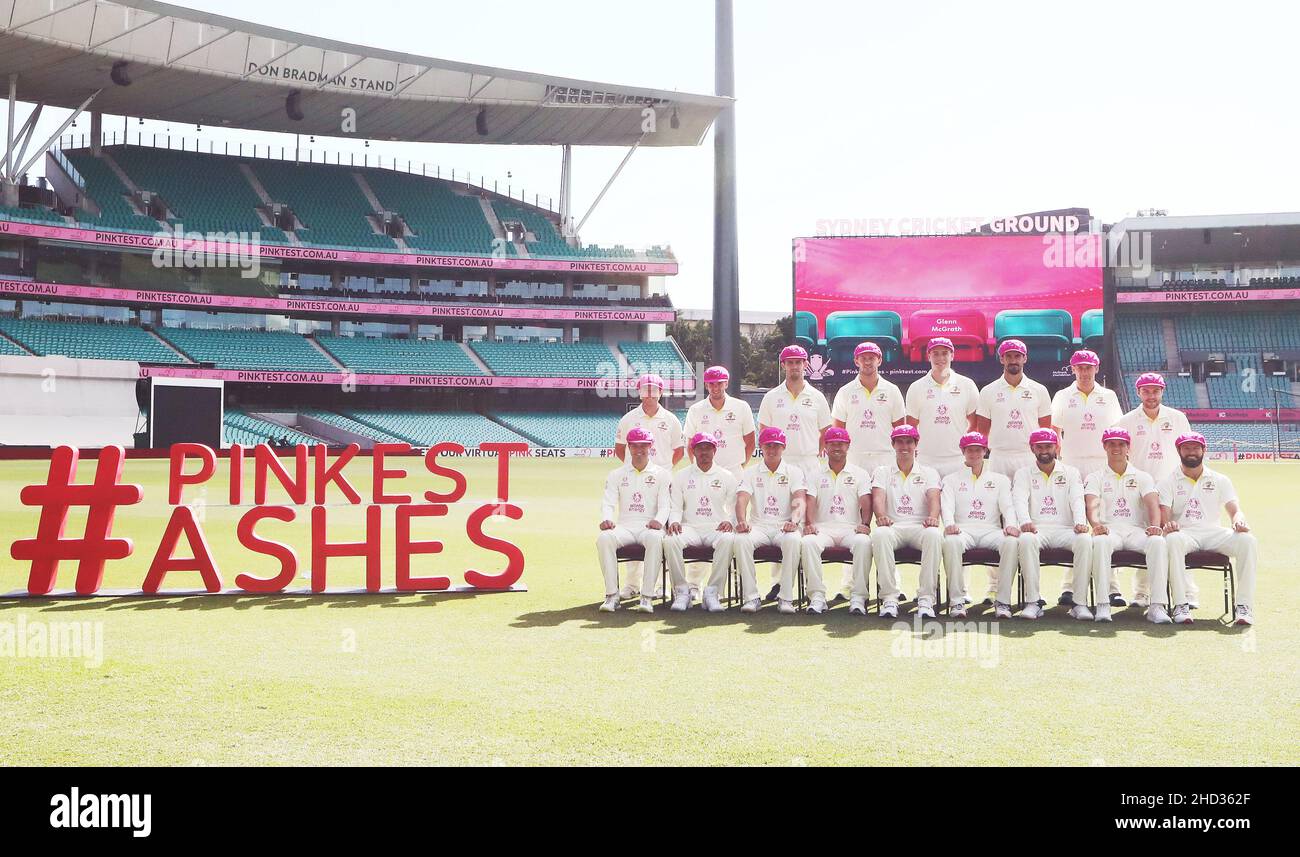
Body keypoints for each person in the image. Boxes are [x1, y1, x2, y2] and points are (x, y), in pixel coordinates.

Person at [829, 340, 904, 601]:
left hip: (884, 460)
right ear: (856, 362)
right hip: (855, 461)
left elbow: (899, 430)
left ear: (880, 361)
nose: (868, 361)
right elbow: (837, 429)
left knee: (889, 520)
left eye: (873, 357)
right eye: (864, 357)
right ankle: (849, 584)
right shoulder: (845, 391)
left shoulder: (892, 391)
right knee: (853, 522)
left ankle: (893, 584)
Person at [1157, 433, 1258, 626]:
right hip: (1186, 534)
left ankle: (1244, 606)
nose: (1191, 452)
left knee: (1248, 540)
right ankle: (1180, 604)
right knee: (1172, 540)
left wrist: (1239, 521)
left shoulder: (1220, 479)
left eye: (1196, 448)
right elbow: (1165, 514)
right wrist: (1169, 524)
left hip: (1214, 533)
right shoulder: (1168, 481)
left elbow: (1234, 510)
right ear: (1179, 451)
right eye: (1186, 448)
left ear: (1204, 450)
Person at [1051, 349, 1124, 606]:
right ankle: (1069, 587)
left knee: (1104, 523)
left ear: (1096, 368)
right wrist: (1059, 465)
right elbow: (1054, 432)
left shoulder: (1109, 396)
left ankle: (1113, 587)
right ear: (1073, 369)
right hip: (1071, 466)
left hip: (1101, 466)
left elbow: (1118, 431)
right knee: (1076, 524)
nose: (1084, 372)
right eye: (1079, 367)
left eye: (1088, 367)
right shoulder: (1062, 396)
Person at [1116, 371, 1193, 608]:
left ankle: (1187, 593)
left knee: (1177, 539)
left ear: (1162, 391)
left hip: (1171, 488)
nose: (1151, 395)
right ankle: (1141, 593)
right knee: (1148, 538)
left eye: (1155, 390)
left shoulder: (1178, 417)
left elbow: (1188, 451)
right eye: (1146, 391)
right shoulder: (1127, 420)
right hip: (1139, 490)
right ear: (1138, 392)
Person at [1004, 428, 1091, 620]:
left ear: (1056, 447)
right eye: (1040, 446)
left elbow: (1077, 499)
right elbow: (1019, 499)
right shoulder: (1023, 473)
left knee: (1084, 540)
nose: (1045, 450)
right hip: (1037, 529)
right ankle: (1033, 602)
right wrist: (1025, 522)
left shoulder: (1071, 472)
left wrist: (1079, 522)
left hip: (1066, 529)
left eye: (1049, 446)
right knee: (1026, 540)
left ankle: (1079, 603)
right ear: (1032, 448)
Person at [1084, 427, 1165, 623]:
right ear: (1104, 446)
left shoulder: (1142, 476)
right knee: (1101, 543)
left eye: (1121, 444)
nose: (1116, 448)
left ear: (1128, 447)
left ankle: (1157, 606)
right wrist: (1096, 525)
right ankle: (1103, 605)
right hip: (1109, 530)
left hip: (1136, 530)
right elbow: (1091, 504)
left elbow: (1153, 503)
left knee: (1158, 543)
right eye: (1111, 443)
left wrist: (1155, 527)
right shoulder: (1095, 477)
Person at [614, 373, 684, 598]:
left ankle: (662, 584)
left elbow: (679, 450)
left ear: (661, 392)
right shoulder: (628, 419)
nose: (650, 393)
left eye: (654, 389)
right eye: (646, 389)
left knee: (662, 531)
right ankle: (632, 585)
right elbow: (620, 450)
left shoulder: (671, 419)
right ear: (640, 392)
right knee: (631, 527)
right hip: (635, 482)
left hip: (662, 482)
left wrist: (661, 471)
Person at [940, 432, 1019, 618]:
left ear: (985, 451)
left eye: (978, 450)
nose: (974, 454)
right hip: (963, 531)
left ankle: (1003, 602)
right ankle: (957, 602)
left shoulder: (1000, 480)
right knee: (951, 542)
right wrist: (950, 525)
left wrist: (1011, 525)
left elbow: (1007, 506)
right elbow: (947, 507)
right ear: (963, 451)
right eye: (969, 450)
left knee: (1011, 542)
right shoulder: (950, 480)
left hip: (990, 531)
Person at [869, 424, 943, 619]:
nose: (904, 446)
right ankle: (890, 598)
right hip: (894, 527)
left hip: (920, 526)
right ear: (893, 444)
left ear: (916, 444)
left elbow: (934, 498)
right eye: (900, 441)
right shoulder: (882, 471)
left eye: (909, 441)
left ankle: (926, 598)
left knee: (934, 535)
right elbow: (878, 498)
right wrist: (881, 516)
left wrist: (933, 517)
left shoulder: (929, 472)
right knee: (880, 534)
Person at [595, 428, 670, 613]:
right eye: (635, 445)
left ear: (650, 447)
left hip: (650, 526)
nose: (639, 450)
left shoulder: (662, 474)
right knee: (604, 538)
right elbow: (608, 502)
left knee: (655, 538)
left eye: (643, 446)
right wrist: (606, 520)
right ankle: (612, 596)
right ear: (628, 447)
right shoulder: (616, 474)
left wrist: (658, 521)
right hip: (625, 526)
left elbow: (665, 505)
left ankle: (647, 596)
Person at [800, 427, 873, 615]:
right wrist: (809, 524)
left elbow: (866, 501)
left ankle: (858, 597)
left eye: (841, 443)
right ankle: (817, 596)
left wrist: (865, 524)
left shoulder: (860, 473)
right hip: (823, 528)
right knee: (808, 542)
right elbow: (810, 501)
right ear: (825, 446)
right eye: (832, 443)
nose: (837, 447)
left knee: (863, 543)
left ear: (848, 446)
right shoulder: (815, 473)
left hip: (851, 528)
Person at [734, 427, 807, 615]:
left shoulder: (794, 472)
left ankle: (786, 598)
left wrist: (795, 521)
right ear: (761, 447)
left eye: (777, 446)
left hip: (784, 526)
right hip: (758, 526)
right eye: (768, 446)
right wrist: (742, 521)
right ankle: (751, 597)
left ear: (783, 447)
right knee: (741, 540)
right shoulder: (750, 472)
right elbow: (741, 498)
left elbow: (800, 498)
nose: (772, 450)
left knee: (793, 540)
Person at [664, 433, 739, 612]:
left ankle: (712, 593)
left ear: (714, 450)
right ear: (693, 451)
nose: (704, 452)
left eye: (708, 448)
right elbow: (675, 507)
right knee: (670, 540)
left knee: (728, 540)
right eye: (699, 448)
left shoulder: (727, 476)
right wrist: (674, 521)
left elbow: (734, 507)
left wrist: (729, 521)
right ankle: (682, 592)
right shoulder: (681, 476)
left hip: (716, 527)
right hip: (690, 528)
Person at [974, 339, 1052, 478]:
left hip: (1028, 456)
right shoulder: (988, 391)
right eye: (1008, 356)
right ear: (1001, 359)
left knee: (1029, 500)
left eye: (1017, 356)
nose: (1013, 360)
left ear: (1025, 358)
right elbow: (983, 431)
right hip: (998, 457)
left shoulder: (1039, 390)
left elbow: (1045, 429)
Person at [904, 337, 979, 477]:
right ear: (928, 356)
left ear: (952, 355)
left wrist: (967, 450)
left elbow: (974, 424)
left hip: (958, 459)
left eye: (945, 353)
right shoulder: (916, 388)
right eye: (935, 353)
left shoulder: (967, 385)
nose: (940, 358)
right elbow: (911, 426)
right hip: (926, 459)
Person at [758, 344, 832, 477]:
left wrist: (814, 453)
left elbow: (826, 432)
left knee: (808, 499)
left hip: (809, 464)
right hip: (780, 462)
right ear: (783, 365)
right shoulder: (771, 397)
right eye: (790, 362)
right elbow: (764, 432)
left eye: (798, 362)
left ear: (806, 364)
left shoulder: (817, 397)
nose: (794, 366)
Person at [683, 365, 755, 481]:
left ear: (726, 384)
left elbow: (750, 442)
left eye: (719, 383)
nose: (715, 387)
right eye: (711, 384)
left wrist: (741, 466)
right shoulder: (695, 410)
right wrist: (697, 467)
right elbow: (690, 443)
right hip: (704, 473)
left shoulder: (741, 407)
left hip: (734, 473)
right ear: (706, 385)